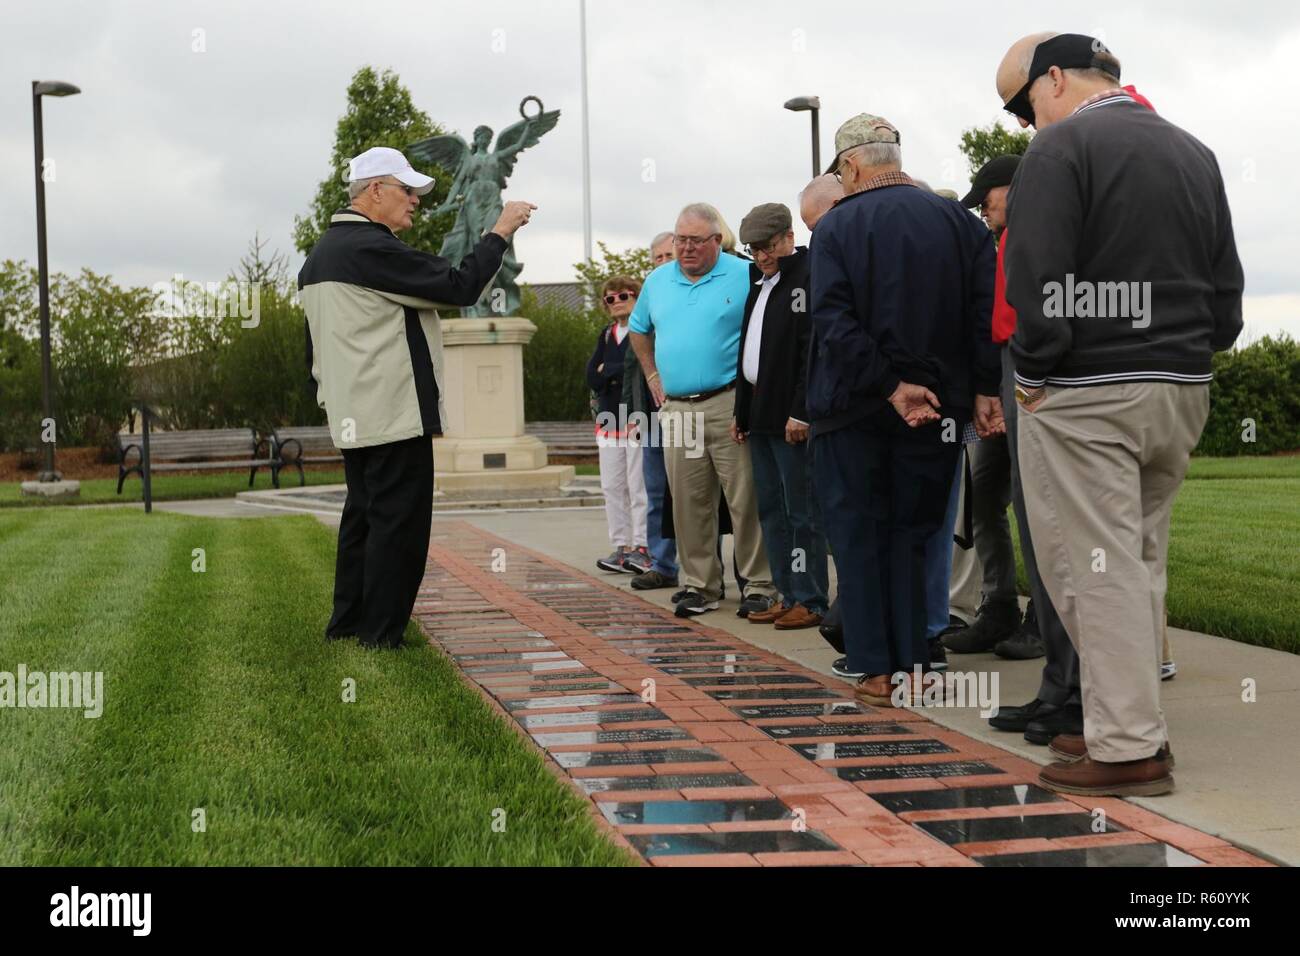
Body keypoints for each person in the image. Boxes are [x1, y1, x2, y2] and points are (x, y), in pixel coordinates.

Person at [998, 33, 1243, 795]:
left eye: (1023, 102)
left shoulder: (1061, 148)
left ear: (1057, 79)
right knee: (1135, 564)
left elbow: (1039, 281)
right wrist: (1195, 353)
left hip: (1087, 391)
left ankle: (1130, 745)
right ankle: (1125, 725)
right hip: (1181, 383)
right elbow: (1227, 288)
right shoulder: (1193, 150)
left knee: (1087, 569)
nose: (1024, 121)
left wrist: (1033, 375)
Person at [299, 146, 533, 648]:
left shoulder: (322, 253)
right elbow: (460, 285)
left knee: (363, 517)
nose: (416, 202)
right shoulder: (370, 248)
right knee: (396, 527)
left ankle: (349, 624)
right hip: (392, 412)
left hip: (354, 415)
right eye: (408, 191)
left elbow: (311, 349)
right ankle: (380, 635)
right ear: (375, 190)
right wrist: (500, 230)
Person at [808, 114, 1002, 705]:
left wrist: (890, 385)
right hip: (940, 407)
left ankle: (873, 666)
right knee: (918, 535)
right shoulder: (958, 222)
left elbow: (833, 320)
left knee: (860, 534)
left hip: (854, 409)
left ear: (850, 165)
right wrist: (984, 390)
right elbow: (983, 313)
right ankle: (918, 662)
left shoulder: (836, 227)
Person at [629, 203, 777, 618]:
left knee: (745, 499)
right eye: (680, 239)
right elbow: (639, 330)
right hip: (678, 410)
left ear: (717, 240)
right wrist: (653, 376)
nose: (686, 248)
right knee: (688, 502)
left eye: (696, 240)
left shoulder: (744, 273)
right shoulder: (657, 280)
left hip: (729, 402)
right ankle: (700, 585)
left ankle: (760, 584)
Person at [942, 154, 1040, 659]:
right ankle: (997, 606)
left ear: (1014, 188)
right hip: (1000, 383)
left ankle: (1043, 619)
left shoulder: (1043, 235)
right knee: (983, 496)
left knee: (1032, 504)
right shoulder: (996, 243)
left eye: (988, 197)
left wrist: (1017, 391)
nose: (982, 208)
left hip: (1031, 381)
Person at [730, 203, 829, 630]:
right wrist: (741, 411)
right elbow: (747, 351)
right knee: (770, 509)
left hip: (792, 419)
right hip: (760, 414)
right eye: (754, 249)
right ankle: (787, 592)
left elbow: (813, 351)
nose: (763, 256)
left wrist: (801, 412)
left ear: (789, 237)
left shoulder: (807, 276)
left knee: (801, 513)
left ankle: (811, 598)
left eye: (769, 246)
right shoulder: (759, 284)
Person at [627, 232, 681, 591]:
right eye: (657, 257)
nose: (662, 262)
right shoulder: (652, 294)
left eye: (668, 255)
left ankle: (706, 570)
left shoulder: (686, 294)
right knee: (656, 492)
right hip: (652, 415)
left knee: (696, 495)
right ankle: (662, 563)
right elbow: (636, 357)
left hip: (688, 409)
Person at [588, 276, 651, 575]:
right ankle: (621, 547)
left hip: (636, 418)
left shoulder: (644, 331)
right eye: (610, 299)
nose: (616, 302)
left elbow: (633, 371)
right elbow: (591, 376)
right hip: (608, 419)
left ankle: (642, 546)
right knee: (612, 486)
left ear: (638, 297)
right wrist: (610, 372)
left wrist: (609, 370)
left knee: (638, 486)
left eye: (623, 295)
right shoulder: (605, 335)